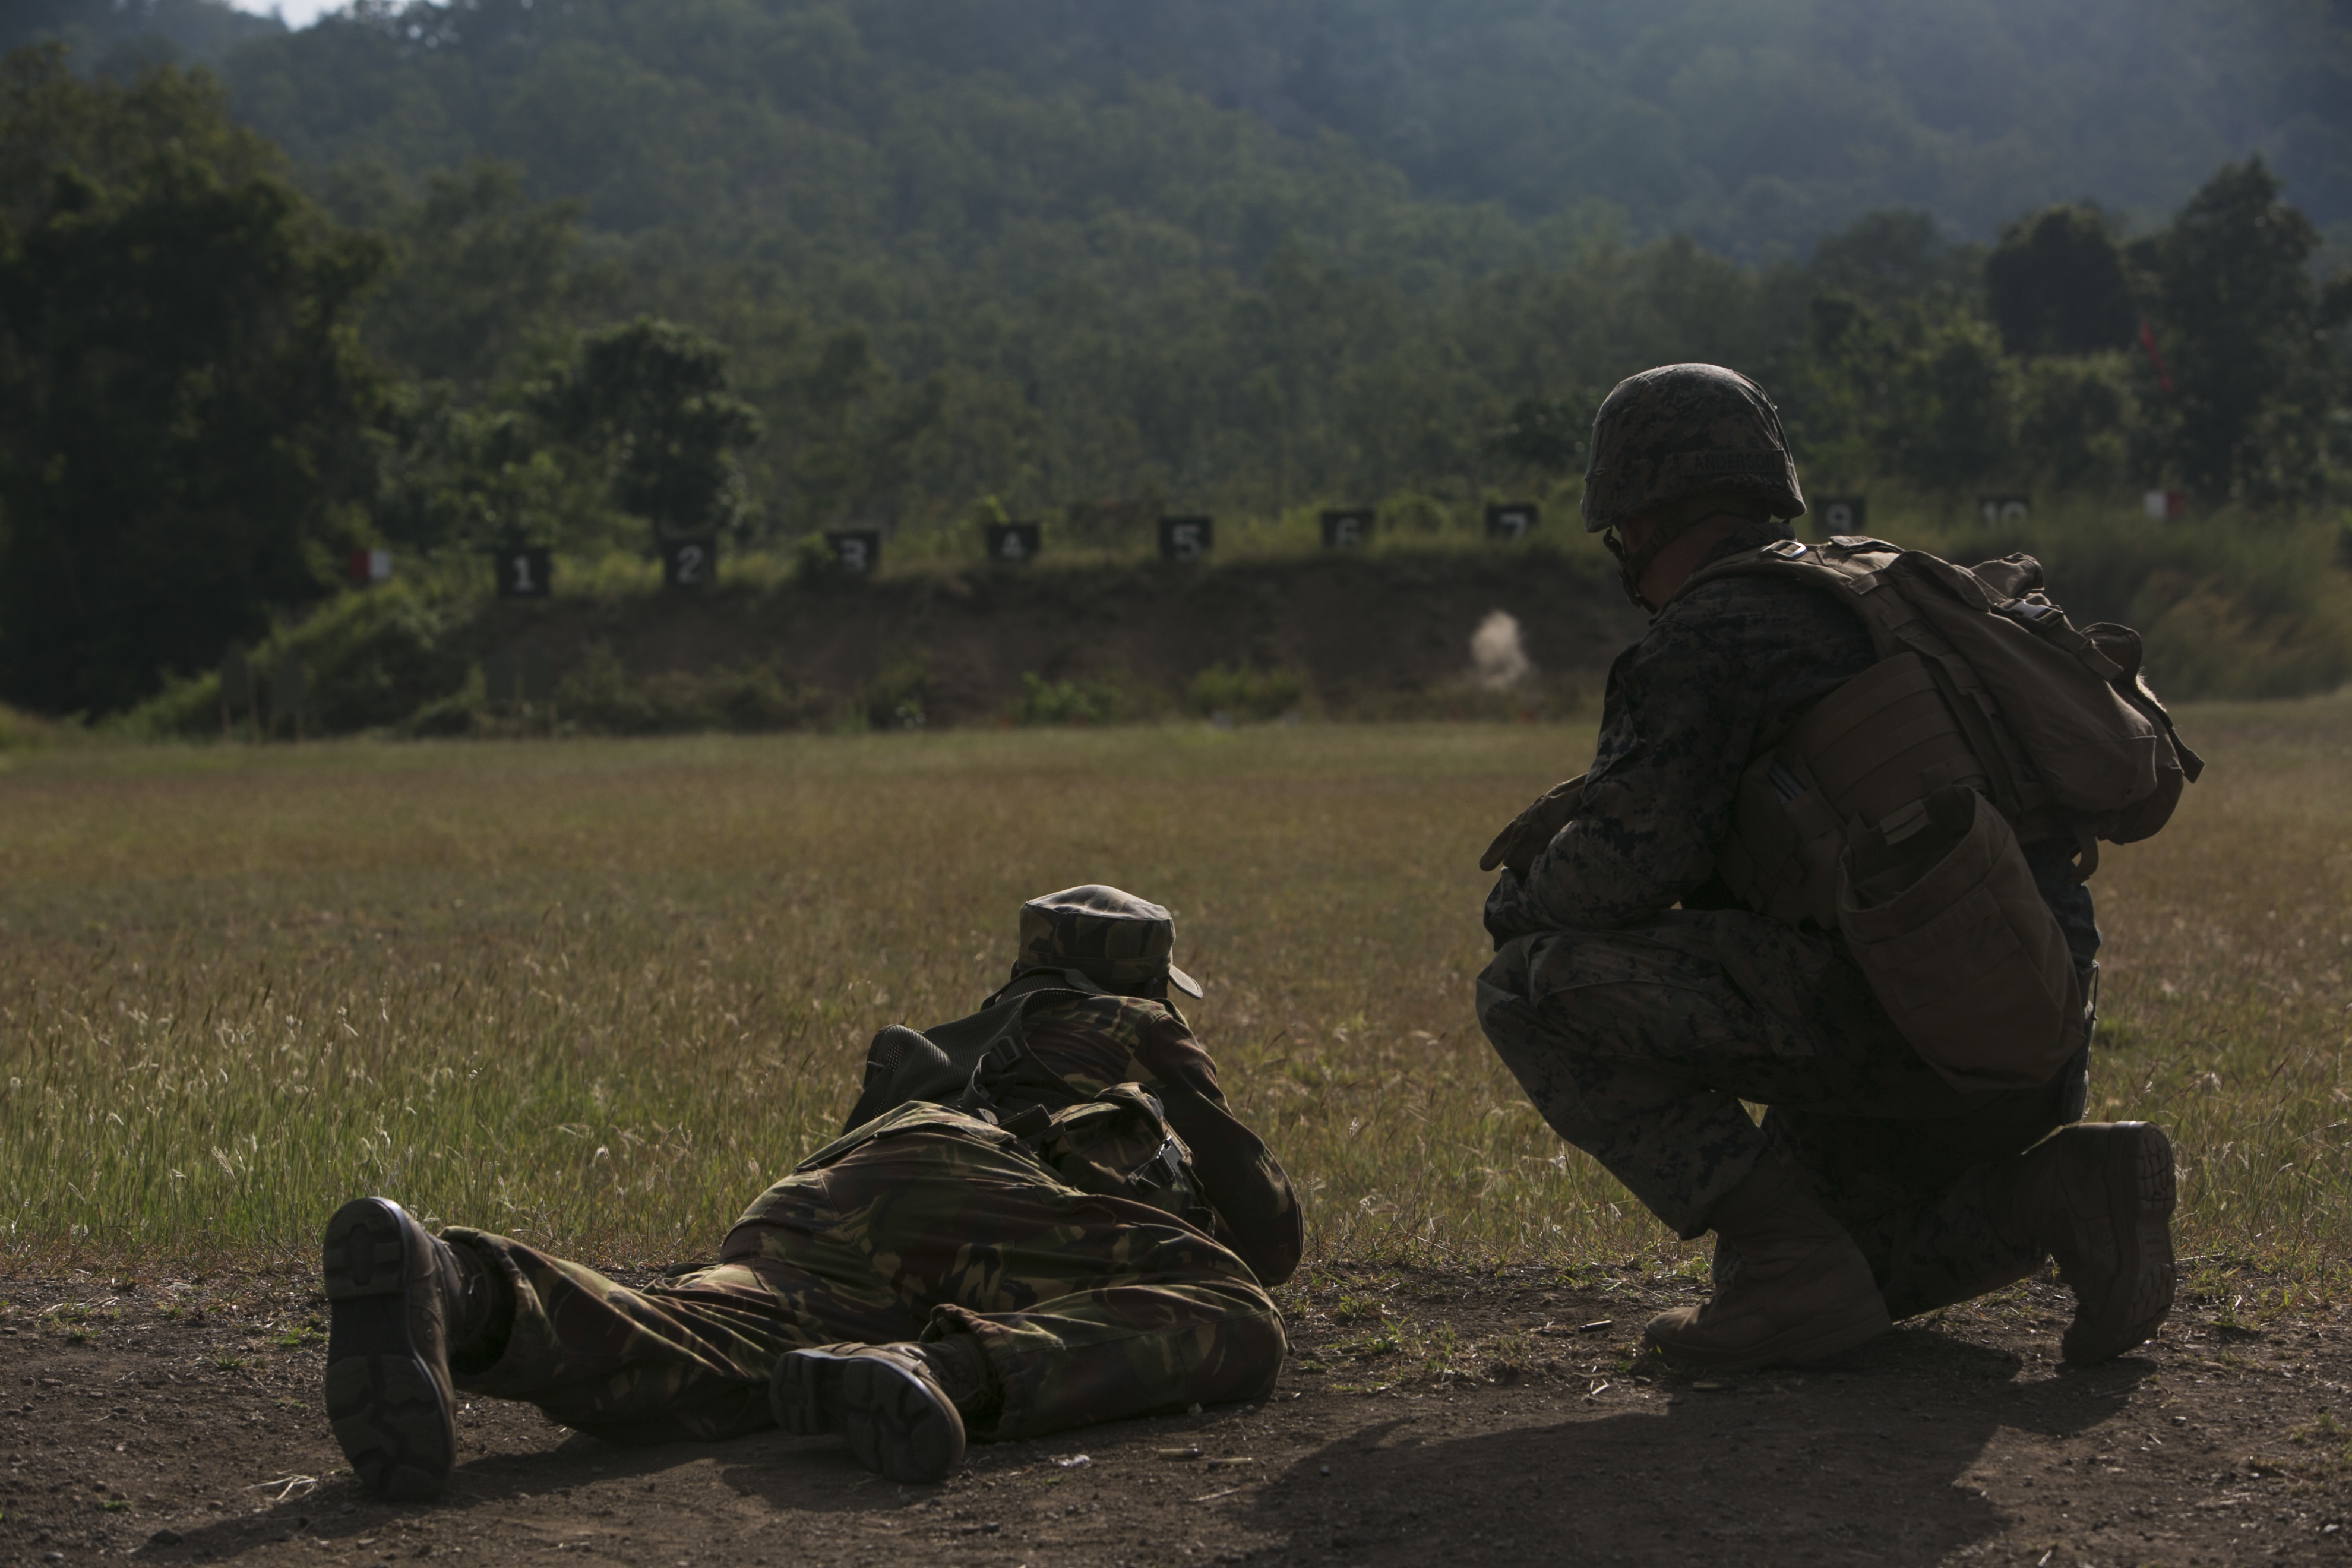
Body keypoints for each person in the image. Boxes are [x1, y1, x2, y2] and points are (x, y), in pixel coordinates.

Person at [1474, 363, 2176, 1372]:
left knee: (1525, 985)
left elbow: (1621, 876)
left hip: (1897, 1021)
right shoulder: (1892, 590)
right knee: (1855, 1278)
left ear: (1636, 517)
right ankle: (2065, 1190)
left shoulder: (1711, 634)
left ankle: (1787, 1254)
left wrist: (1523, 898)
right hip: (2029, 1039)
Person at [322, 886, 1300, 1500]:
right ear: (1145, 979)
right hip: (989, 1190)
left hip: (827, 1198)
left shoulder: (960, 1038)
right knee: (1234, 1315)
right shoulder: (1133, 1022)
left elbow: (883, 1168)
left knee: (703, 1358)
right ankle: (939, 1373)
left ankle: (464, 1289)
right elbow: (1271, 1241)